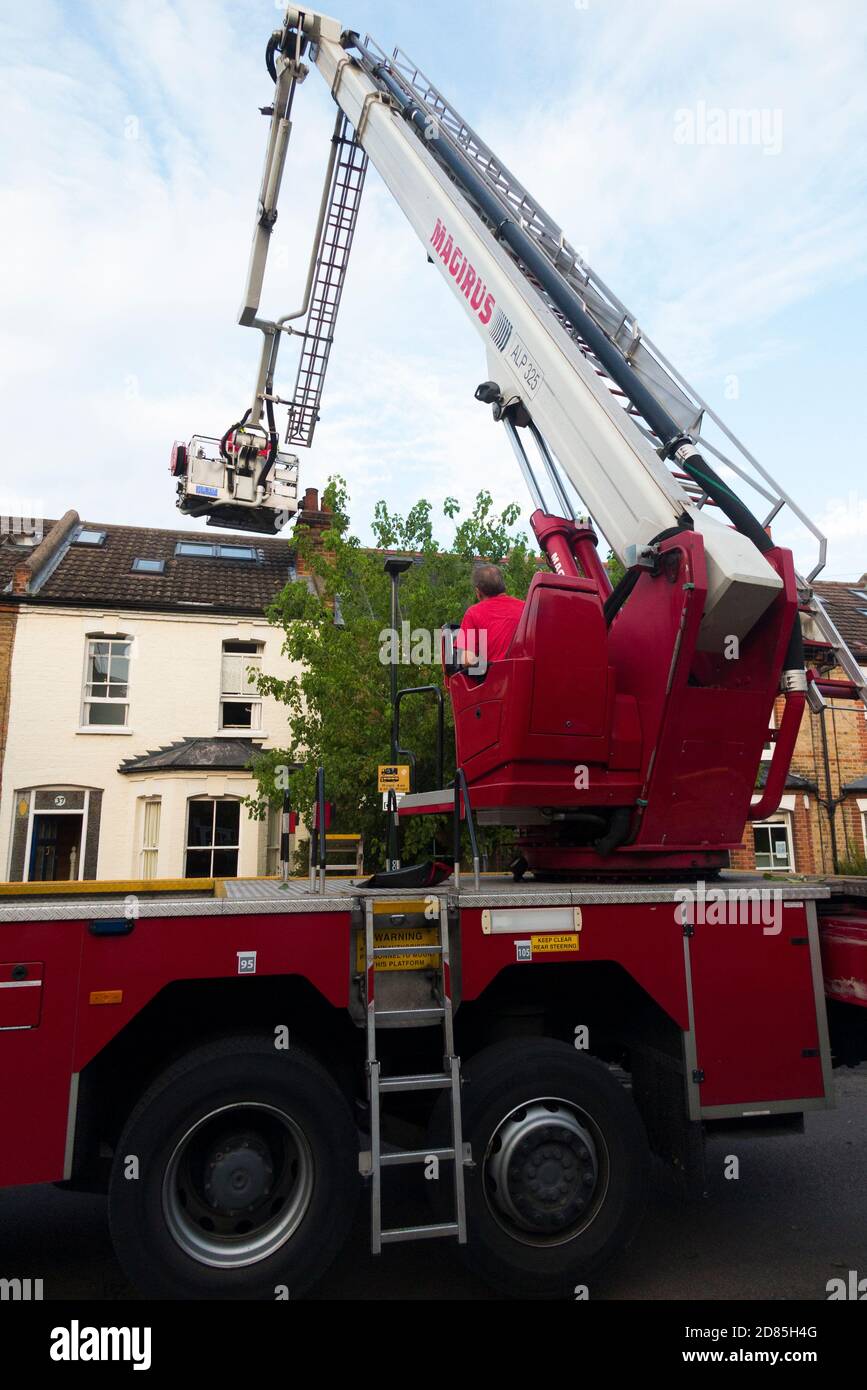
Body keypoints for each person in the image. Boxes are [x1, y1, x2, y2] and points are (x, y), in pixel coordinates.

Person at [457, 562, 525, 672]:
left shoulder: (473, 613)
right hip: (526, 678)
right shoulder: (526, 607)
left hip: (495, 683)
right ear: (503, 587)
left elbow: (467, 660)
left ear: (478, 592)